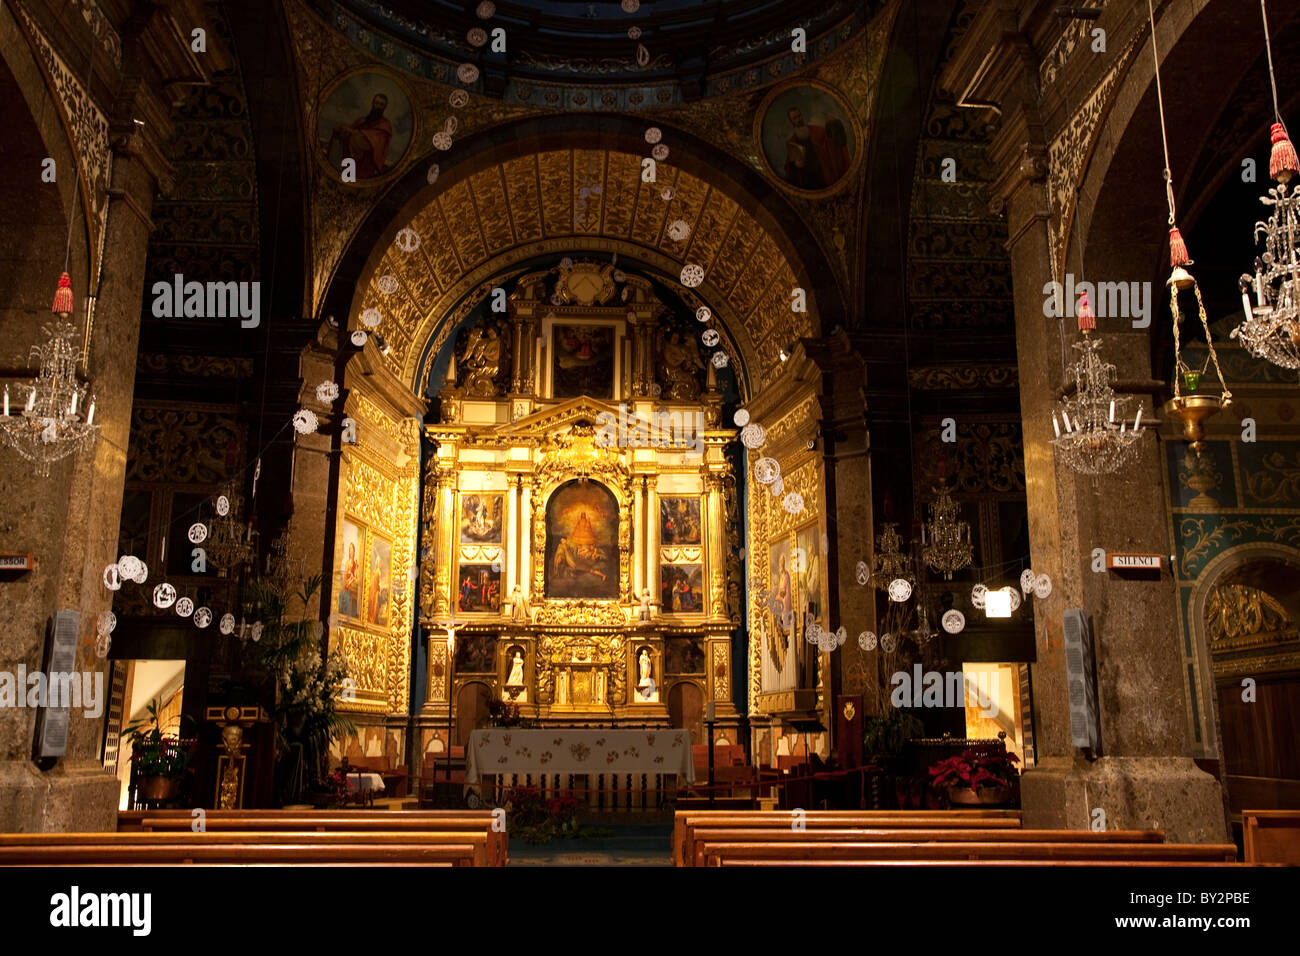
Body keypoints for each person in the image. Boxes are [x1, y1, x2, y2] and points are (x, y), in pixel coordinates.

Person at [782, 105, 850, 190]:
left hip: (823, 173)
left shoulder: (816, 130)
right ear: (791, 121)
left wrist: (833, 124)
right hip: (808, 179)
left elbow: (832, 142)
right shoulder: (793, 142)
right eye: (794, 118)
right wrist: (795, 164)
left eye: (799, 116)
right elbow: (789, 167)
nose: (798, 120)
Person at [330, 93, 394, 179]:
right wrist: (341, 129)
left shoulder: (385, 125)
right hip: (349, 158)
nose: (378, 106)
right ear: (373, 104)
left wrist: (352, 133)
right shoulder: (362, 120)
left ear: (384, 107)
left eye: (381, 104)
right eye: (376, 103)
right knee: (346, 179)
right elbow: (350, 130)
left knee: (355, 182)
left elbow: (370, 142)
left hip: (365, 164)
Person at [340, 542, 359, 617]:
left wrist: (356, 567)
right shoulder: (347, 562)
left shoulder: (354, 563)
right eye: (350, 549)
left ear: (354, 551)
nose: (351, 551)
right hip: (347, 583)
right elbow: (346, 575)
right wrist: (349, 579)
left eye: (352, 549)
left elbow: (356, 576)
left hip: (352, 583)